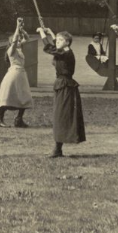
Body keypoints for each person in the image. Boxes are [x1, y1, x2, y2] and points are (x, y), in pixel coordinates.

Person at [38, 26, 85, 158]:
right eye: (57, 39)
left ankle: (57, 149)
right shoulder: (64, 50)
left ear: (67, 42)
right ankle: (58, 148)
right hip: (62, 85)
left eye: (60, 40)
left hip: (66, 87)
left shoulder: (66, 53)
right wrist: (50, 32)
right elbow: (56, 45)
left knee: (61, 116)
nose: (57, 41)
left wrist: (42, 33)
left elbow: (51, 48)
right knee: (60, 116)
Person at [0, 17, 33, 128]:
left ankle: (18, 119)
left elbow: (27, 38)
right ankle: (0, 120)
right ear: (12, 42)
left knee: (24, 96)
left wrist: (21, 30)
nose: (20, 41)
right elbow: (15, 38)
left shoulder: (20, 48)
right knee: (7, 96)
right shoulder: (11, 50)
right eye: (17, 40)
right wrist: (17, 27)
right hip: (13, 73)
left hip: (21, 74)